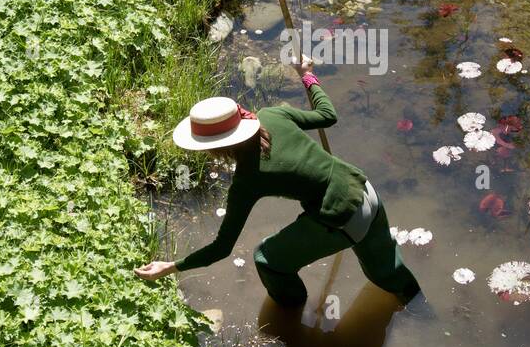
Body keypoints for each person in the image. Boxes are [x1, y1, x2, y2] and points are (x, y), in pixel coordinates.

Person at [134, 57, 421, 308]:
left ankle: (291, 317)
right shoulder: (271, 114)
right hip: (364, 188)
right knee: (387, 273)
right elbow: (328, 116)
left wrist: (171, 267)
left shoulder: (248, 179)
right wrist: (307, 74)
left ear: (216, 148)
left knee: (267, 259)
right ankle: (424, 314)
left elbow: (222, 248)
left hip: (341, 216)